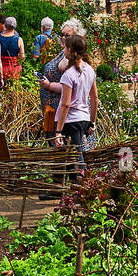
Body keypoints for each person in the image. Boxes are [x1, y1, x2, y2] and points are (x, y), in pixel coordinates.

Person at [53, 34, 98, 171]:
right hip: (83, 119)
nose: (64, 50)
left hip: (70, 121)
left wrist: (58, 131)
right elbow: (95, 98)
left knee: (77, 158)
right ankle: (65, 189)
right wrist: (92, 122)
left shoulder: (69, 75)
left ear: (71, 51)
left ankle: (86, 186)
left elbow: (66, 104)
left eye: (65, 48)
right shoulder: (90, 70)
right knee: (68, 159)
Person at [38, 19, 77, 146]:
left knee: (64, 149)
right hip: (51, 110)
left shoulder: (71, 58)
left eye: (67, 35)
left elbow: (71, 87)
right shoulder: (64, 53)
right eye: (62, 34)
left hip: (61, 114)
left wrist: (48, 85)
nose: (62, 37)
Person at [0, 16, 25, 81]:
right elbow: (22, 57)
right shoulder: (19, 39)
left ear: (5, 25)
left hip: (1, 68)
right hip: (14, 69)